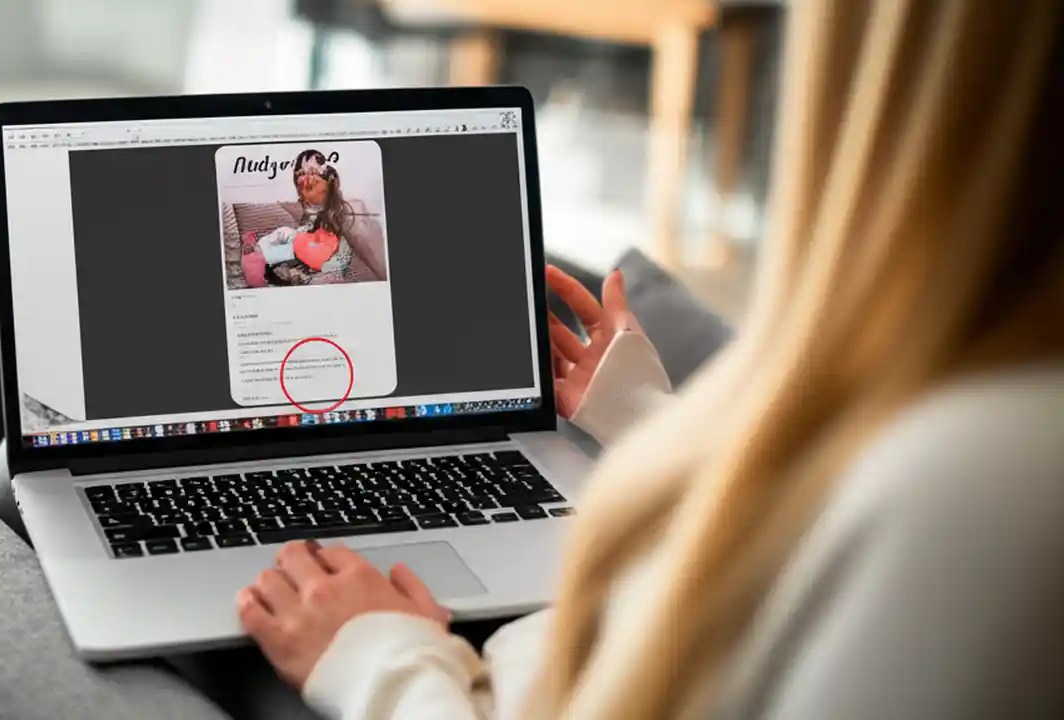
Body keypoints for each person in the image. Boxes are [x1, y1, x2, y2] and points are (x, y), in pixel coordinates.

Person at [233, 1, 1064, 718]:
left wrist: (379, 659)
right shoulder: (966, 418)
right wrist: (647, 424)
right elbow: (778, 563)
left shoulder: (989, 489)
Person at [243, 149, 356, 287]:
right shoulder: (300, 230)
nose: (307, 178)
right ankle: (258, 257)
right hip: (303, 251)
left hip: (326, 261)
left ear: (330, 182)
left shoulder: (341, 233)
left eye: (314, 172)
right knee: (284, 235)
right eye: (301, 173)